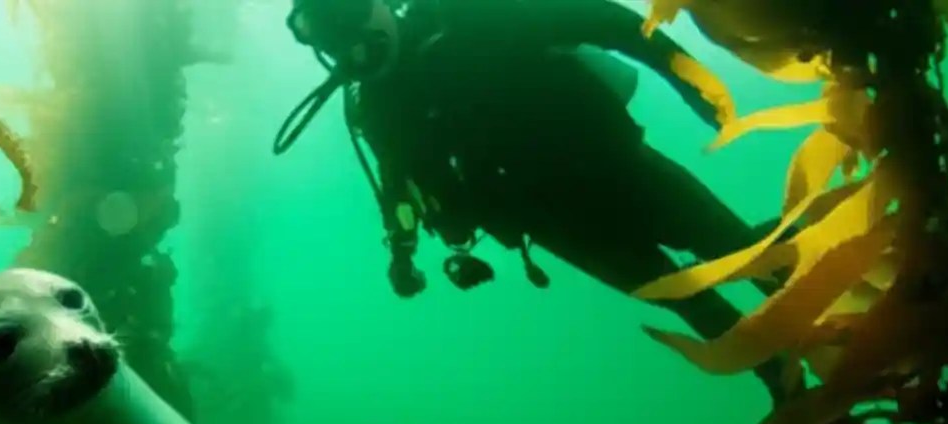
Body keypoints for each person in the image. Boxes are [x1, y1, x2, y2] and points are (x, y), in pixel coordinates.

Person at [273, 0, 788, 402]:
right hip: (555, 224)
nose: (352, 41)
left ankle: (848, 327)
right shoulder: (380, 111)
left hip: (617, 169)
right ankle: (781, 382)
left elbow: (607, 21)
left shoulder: (472, 18)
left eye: (353, 13)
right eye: (329, 34)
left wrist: (690, 81)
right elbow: (396, 186)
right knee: (691, 302)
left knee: (743, 248)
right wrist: (402, 252)